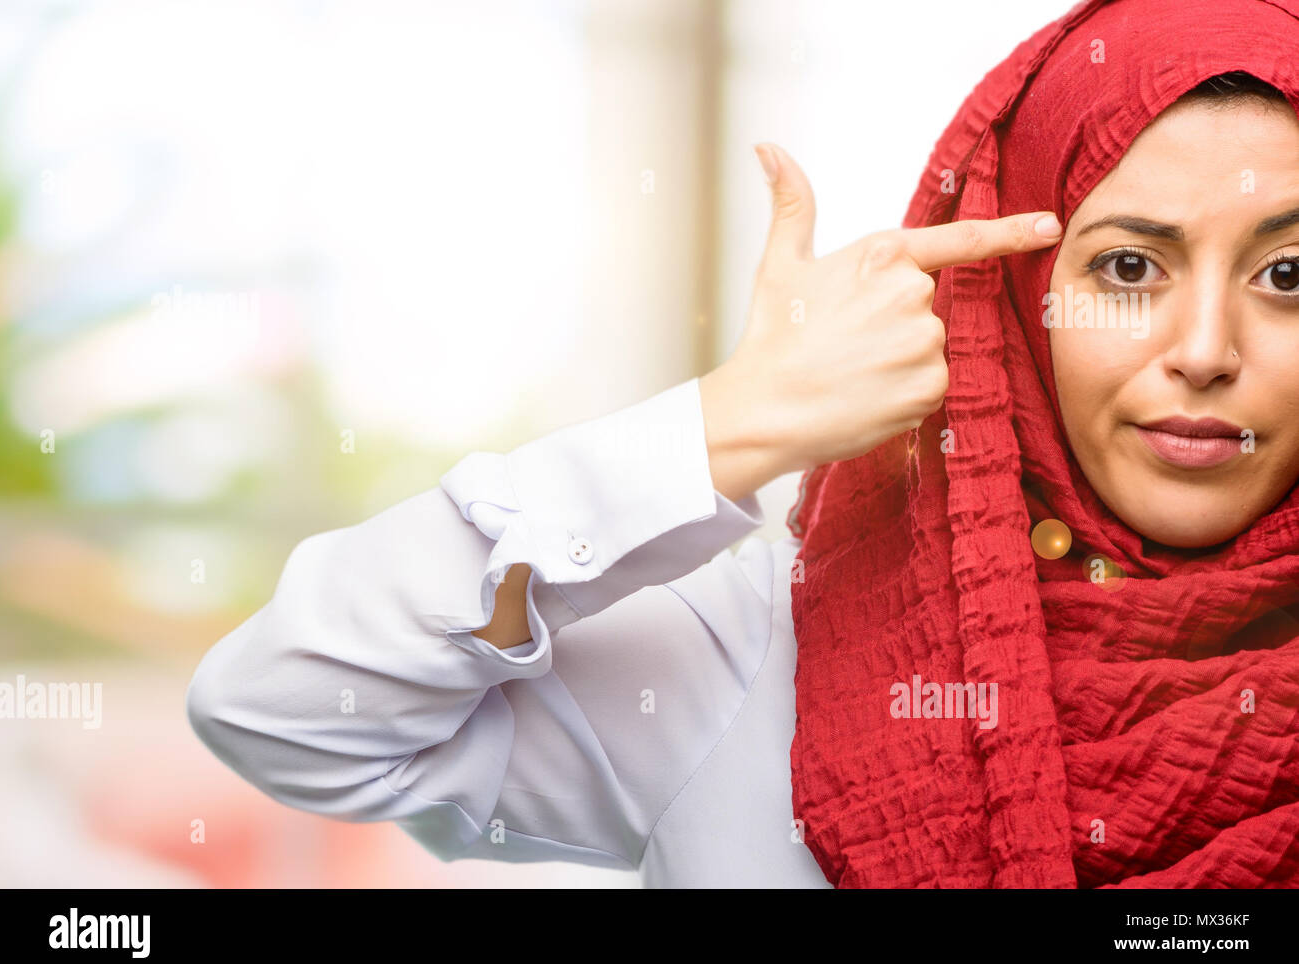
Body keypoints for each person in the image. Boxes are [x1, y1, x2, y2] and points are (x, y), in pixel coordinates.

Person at [186, 0, 1299, 888]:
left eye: (1286, 275)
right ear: (1010, 304)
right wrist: (731, 421)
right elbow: (282, 709)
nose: (1202, 350)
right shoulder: (764, 654)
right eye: (1126, 268)